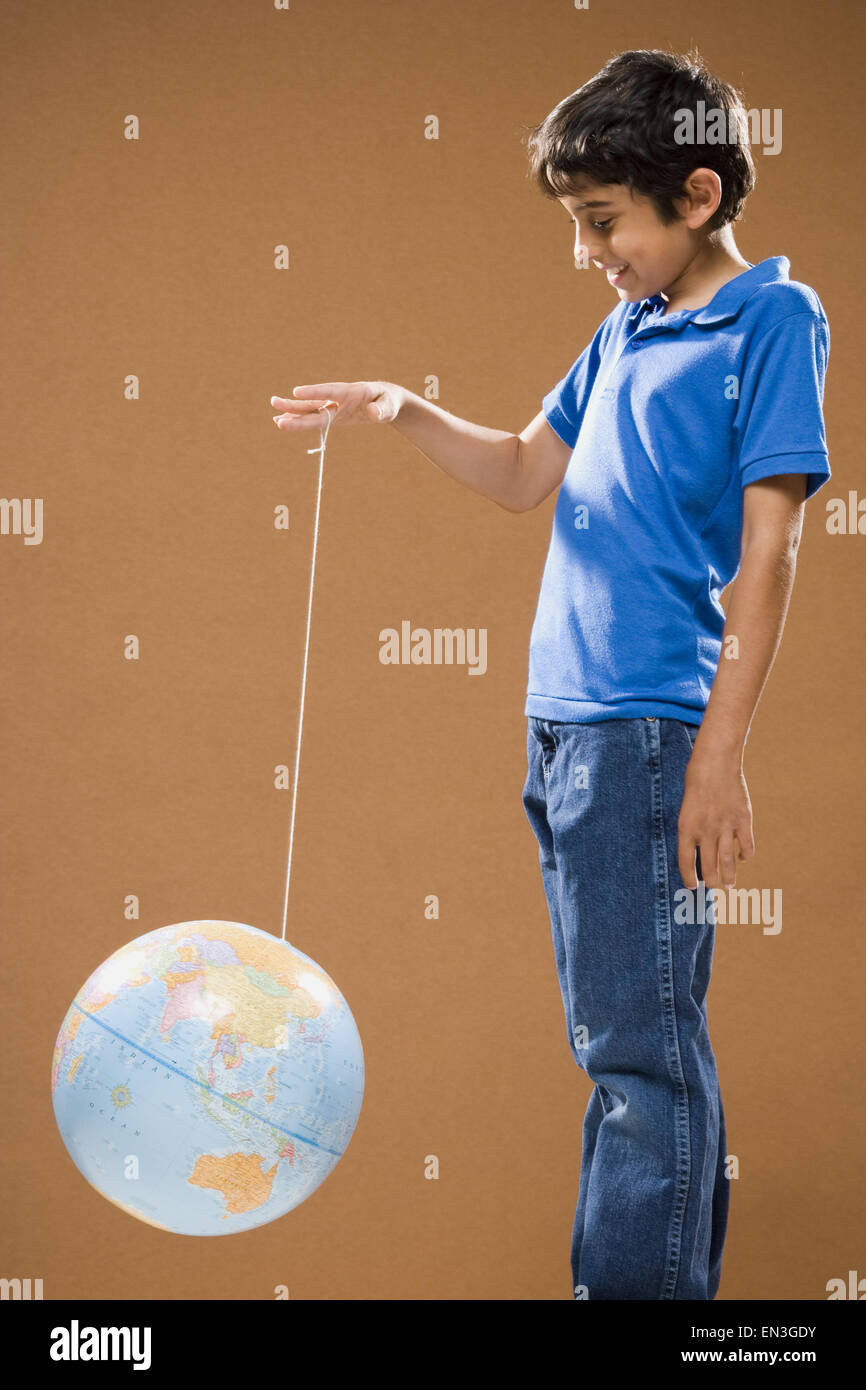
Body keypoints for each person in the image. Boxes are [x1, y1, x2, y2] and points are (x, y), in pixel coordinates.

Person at [269, 48, 831, 1300]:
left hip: (643, 733)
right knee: (617, 1047)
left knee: (642, 1057)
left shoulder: (772, 320)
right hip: (564, 735)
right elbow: (527, 473)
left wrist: (716, 758)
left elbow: (770, 548)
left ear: (694, 195)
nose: (588, 253)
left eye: (601, 223)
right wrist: (398, 407)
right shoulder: (624, 325)